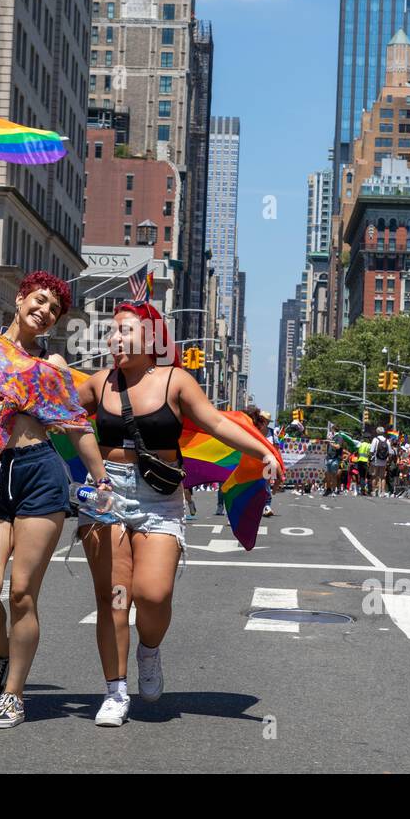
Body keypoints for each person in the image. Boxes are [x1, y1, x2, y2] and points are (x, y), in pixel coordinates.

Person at [0, 177, 110, 730]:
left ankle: (13, 693)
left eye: (55, 310)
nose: (45, 311)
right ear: (21, 299)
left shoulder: (54, 370)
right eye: (39, 300)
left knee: (21, 592)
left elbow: (77, 426)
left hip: (40, 474)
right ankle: (0, 654)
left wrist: (101, 479)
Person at [75, 301, 280, 727]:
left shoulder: (175, 381)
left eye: (126, 331)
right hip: (106, 494)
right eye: (111, 332)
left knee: (153, 594)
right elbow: (56, 415)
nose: (116, 340)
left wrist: (262, 450)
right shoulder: (98, 384)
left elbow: (216, 425)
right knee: (113, 599)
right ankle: (115, 690)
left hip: (158, 497)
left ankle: (149, 651)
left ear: (151, 339)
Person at [369, 427, 391, 496]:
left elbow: (371, 451)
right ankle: (383, 492)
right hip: (383, 460)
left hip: (376, 460)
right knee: (383, 477)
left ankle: (374, 491)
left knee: (374, 476)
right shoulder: (387, 440)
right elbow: (390, 452)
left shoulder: (375, 439)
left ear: (377, 432)